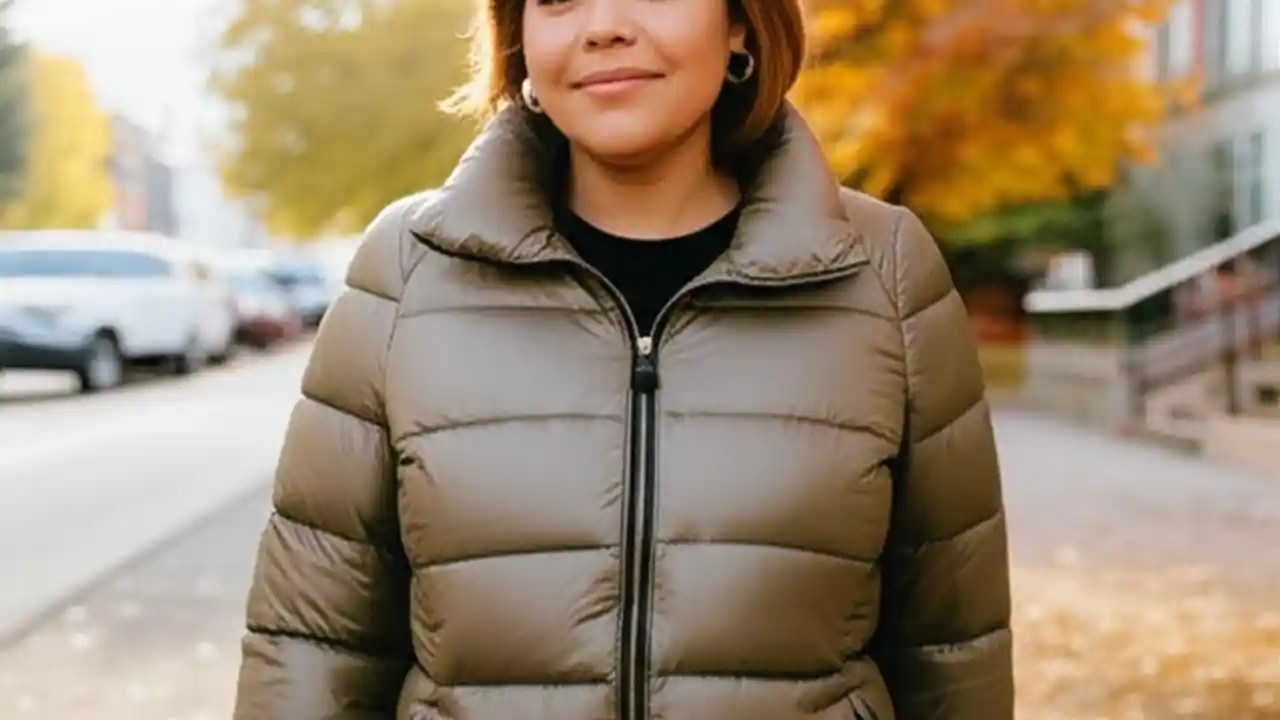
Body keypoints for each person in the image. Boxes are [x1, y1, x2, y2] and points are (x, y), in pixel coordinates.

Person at [231, 0, 1013, 718]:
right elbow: (314, 646)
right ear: (519, 38)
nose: (602, 24)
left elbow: (952, 648)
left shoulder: (885, 273)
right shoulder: (406, 273)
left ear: (740, 25)